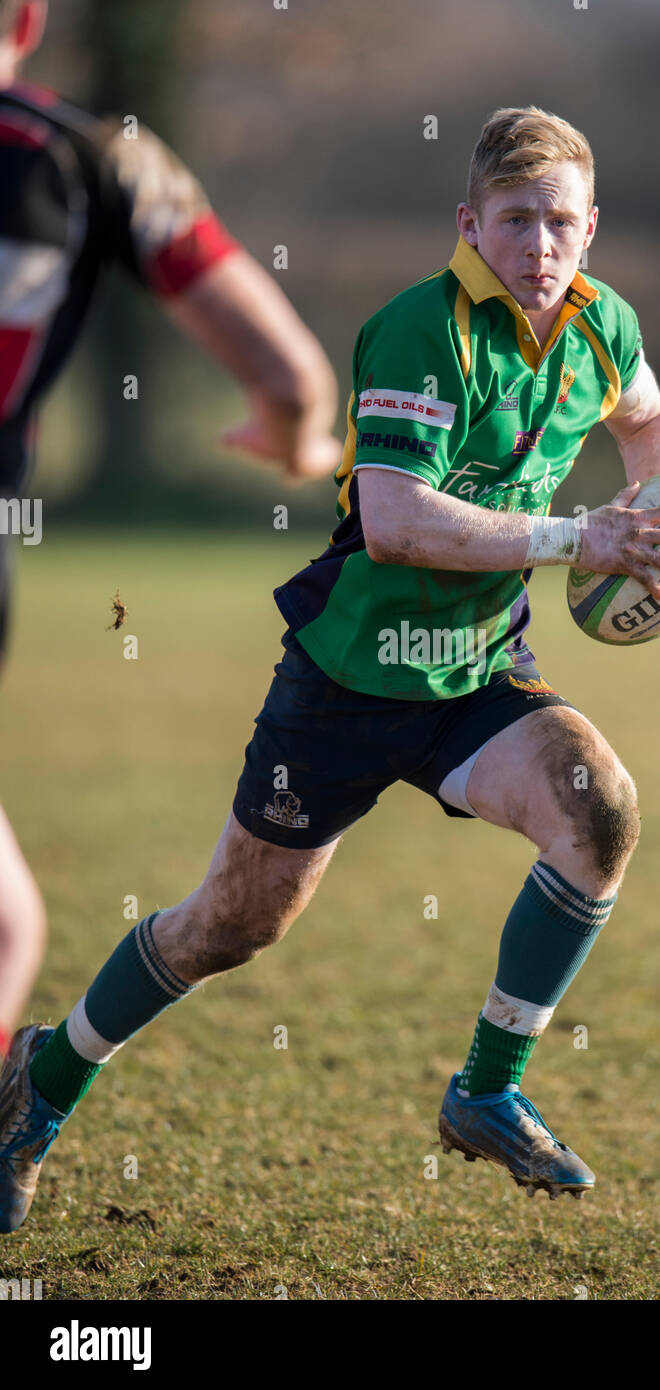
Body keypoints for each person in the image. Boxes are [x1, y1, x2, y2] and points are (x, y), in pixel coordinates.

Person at [1, 103, 660, 1232]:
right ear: (468, 224)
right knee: (228, 925)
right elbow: (395, 520)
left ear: (590, 230)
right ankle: (40, 1084)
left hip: (476, 669)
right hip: (345, 680)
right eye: (514, 220)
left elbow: (649, 418)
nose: (537, 245)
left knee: (599, 811)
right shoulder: (420, 331)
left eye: (559, 223)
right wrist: (583, 538)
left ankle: (486, 1089)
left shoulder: (601, 324)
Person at [0, 1, 340, 1076]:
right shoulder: (89, 160)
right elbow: (291, 376)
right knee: (4, 929)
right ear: (30, 19)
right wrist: (296, 436)